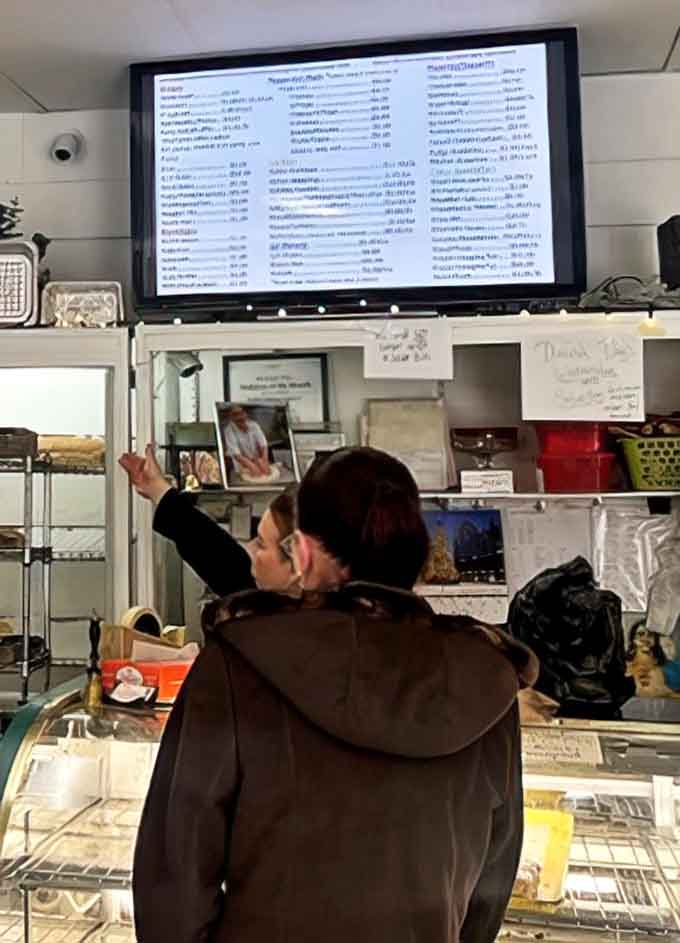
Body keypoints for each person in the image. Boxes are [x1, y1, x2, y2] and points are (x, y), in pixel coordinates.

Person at [133, 446, 538, 943]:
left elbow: (174, 867)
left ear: (302, 552)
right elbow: (493, 877)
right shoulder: (484, 675)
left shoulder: (238, 660)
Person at [118, 444, 295, 595]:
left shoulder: (282, 630)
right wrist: (157, 489)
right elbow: (226, 561)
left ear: (300, 561)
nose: (250, 550)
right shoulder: (274, 602)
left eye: (261, 544)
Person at [223, 404, 271, 479]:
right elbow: (236, 454)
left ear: (245, 414)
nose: (240, 417)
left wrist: (264, 460)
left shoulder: (254, 425)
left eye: (241, 413)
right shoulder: (229, 431)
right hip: (241, 465)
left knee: (265, 474)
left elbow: (263, 445)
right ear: (231, 417)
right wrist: (251, 465)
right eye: (235, 414)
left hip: (256, 459)